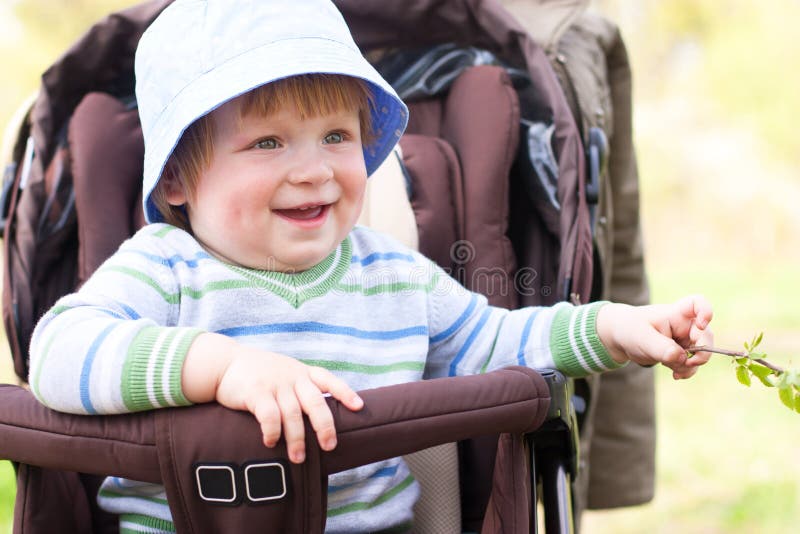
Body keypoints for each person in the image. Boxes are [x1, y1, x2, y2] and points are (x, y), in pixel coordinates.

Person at [28, 1, 714, 532]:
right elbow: (58, 350)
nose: (314, 170)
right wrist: (221, 366)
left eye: (337, 135)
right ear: (177, 178)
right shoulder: (165, 268)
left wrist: (613, 329)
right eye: (268, 142)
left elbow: (496, 344)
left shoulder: (390, 273)